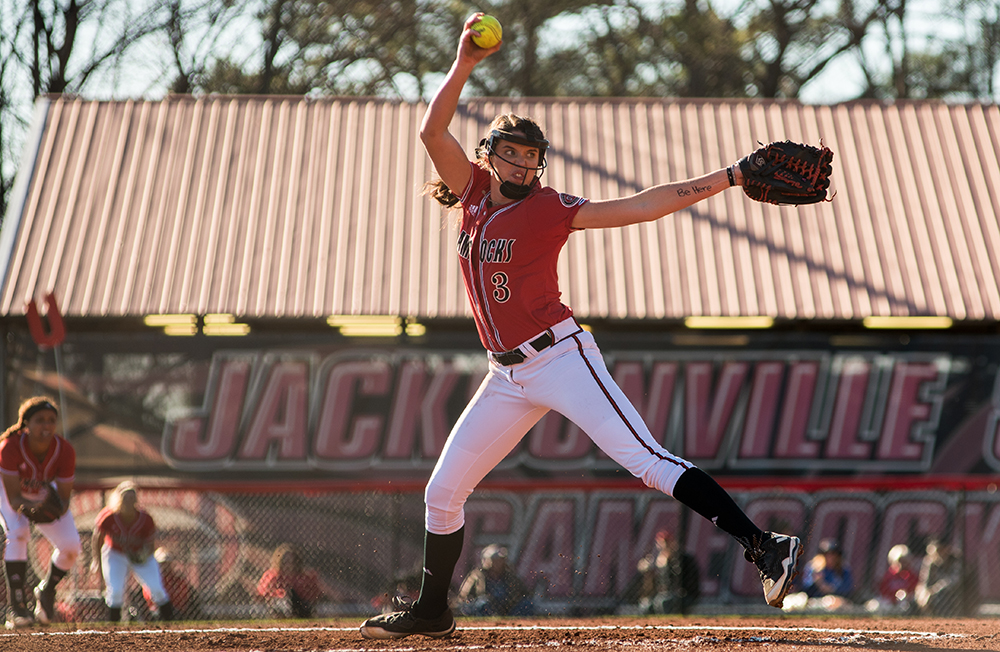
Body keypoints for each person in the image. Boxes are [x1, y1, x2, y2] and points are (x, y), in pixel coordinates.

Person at [358, 13, 803, 640]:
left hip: (561, 359)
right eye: (508, 152)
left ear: (540, 166)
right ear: (488, 156)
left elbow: (646, 205)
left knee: (645, 460)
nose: (519, 163)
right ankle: (432, 611)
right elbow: (431, 129)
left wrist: (727, 178)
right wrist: (464, 64)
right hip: (505, 375)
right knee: (442, 493)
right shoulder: (474, 192)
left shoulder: (550, 209)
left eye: (530, 156)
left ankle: (765, 547)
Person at [0, 396, 82, 628]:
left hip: (43, 494)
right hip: (10, 492)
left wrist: (51, 510)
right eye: (39, 420)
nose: (46, 425)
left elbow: (64, 500)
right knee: (18, 533)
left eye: (51, 420)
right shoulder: (10, 446)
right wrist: (32, 509)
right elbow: (15, 498)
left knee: (71, 546)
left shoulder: (64, 450)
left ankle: (46, 590)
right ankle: (17, 609)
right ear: (26, 423)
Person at [91, 481, 174, 622]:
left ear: (136, 500)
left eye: (132, 498)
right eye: (125, 498)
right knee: (115, 592)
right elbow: (98, 538)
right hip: (115, 554)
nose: (129, 501)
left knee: (157, 589)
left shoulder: (145, 519)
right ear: (118, 498)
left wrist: (143, 556)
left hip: (139, 556)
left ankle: (172, 626)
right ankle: (112, 630)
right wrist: (96, 560)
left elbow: (150, 544)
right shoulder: (109, 516)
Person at [257, 543, 336, 618]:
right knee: (283, 602)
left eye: (291, 561)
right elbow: (263, 594)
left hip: (300, 608)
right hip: (278, 607)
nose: (288, 565)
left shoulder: (304, 577)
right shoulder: (274, 577)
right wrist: (280, 595)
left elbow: (315, 595)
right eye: (285, 561)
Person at [633, 530, 700, 615]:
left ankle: (670, 624)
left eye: (666, 542)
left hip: (685, 595)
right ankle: (653, 627)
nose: (663, 546)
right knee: (646, 605)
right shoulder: (658, 560)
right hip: (665, 595)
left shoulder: (682, 558)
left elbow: (680, 583)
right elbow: (656, 585)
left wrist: (668, 564)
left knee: (664, 602)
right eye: (660, 543)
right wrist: (647, 569)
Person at [456, 544, 533, 616]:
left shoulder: (509, 575)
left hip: (506, 607)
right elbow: (464, 595)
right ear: (487, 561)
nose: (498, 563)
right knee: (482, 603)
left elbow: (523, 592)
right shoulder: (478, 575)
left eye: (500, 560)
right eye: (495, 560)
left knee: (526, 604)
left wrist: (510, 601)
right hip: (486, 606)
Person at [915, 539, 977, 616]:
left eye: (939, 550)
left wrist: (934, 590)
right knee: (921, 595)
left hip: (957, 592)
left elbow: (955, 581)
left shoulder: (956, 560)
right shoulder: (930, 561)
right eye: (933, 552)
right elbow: (925, 581)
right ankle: (929, 620)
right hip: (935, 592)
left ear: (946, 549)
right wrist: (924, 593)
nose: (936, 554)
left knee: (943, 595)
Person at [143, 548, 198, 620]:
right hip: (156, 611)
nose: (165, 565)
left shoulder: (177, 579)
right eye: (162, 563)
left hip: (175, 610)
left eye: (167, 563)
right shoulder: (153, 580)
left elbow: (183, 598)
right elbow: (148, 598)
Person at [869, 544, 918, 613]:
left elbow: (914, 591)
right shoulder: (888, 575)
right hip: (889, 602)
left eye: (904, 561)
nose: (902, 564)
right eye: (900, 561)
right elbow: (882, 592)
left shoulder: (910, 576)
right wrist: (892, 597)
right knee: (875, 604)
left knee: (906, 605)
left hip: (903, 603)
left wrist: (906, 594)